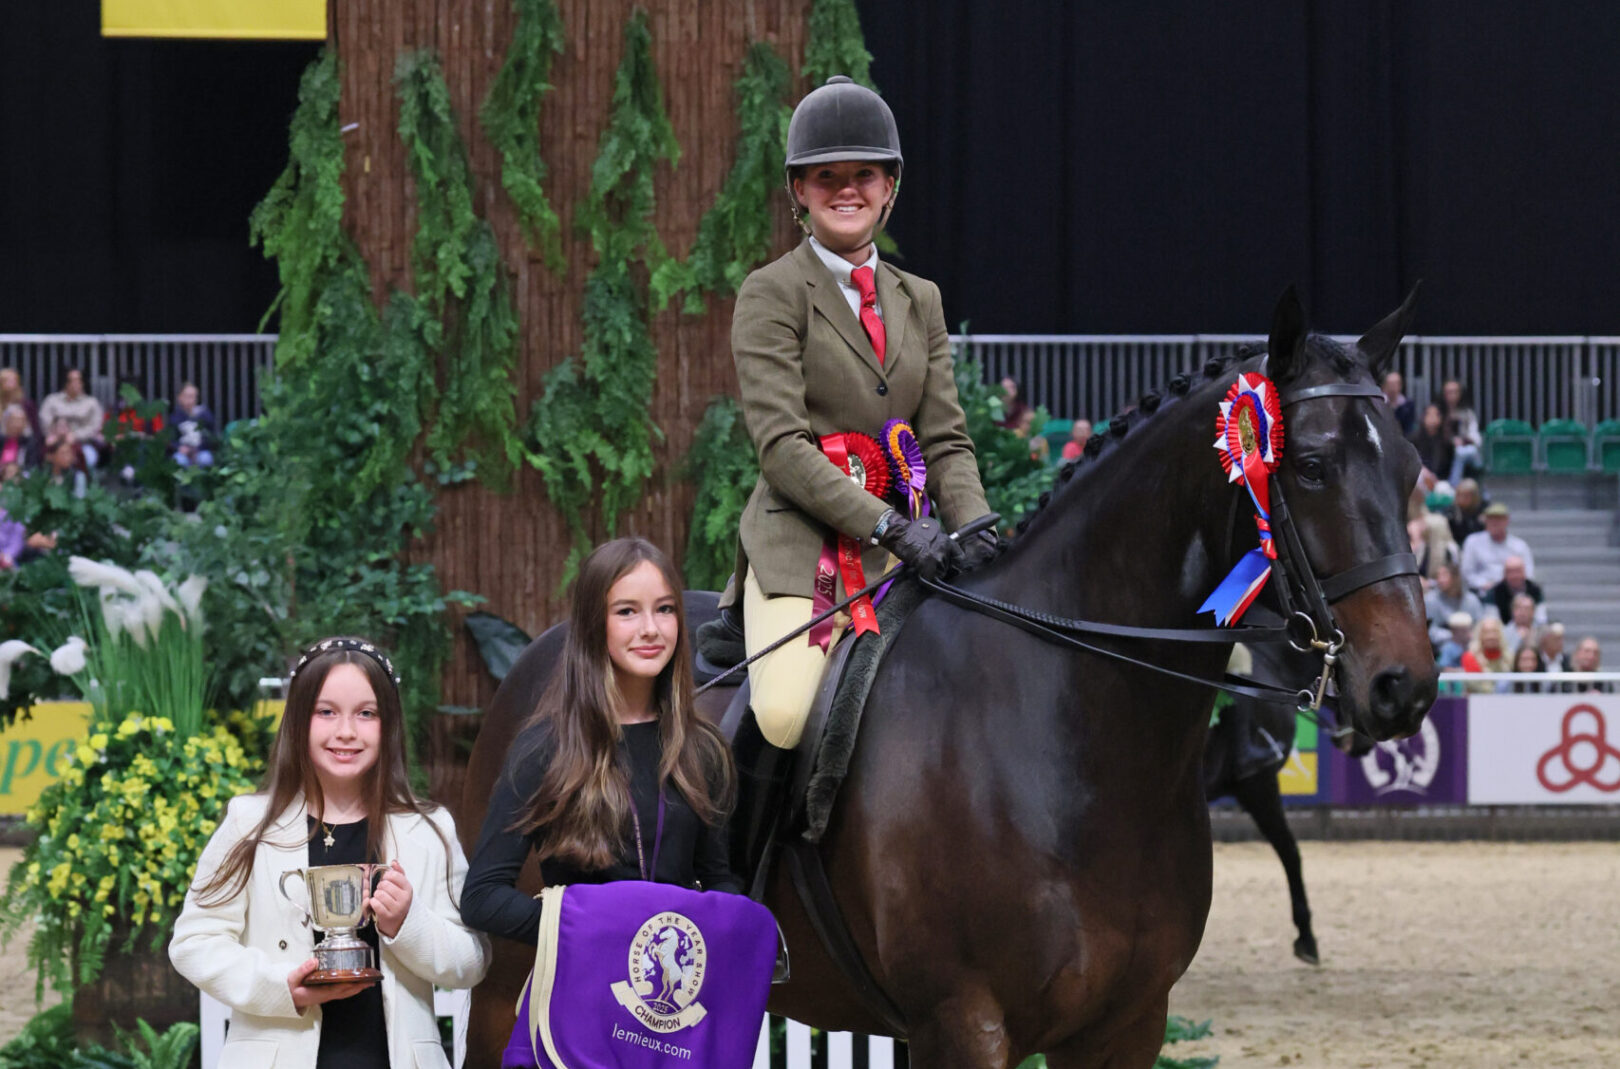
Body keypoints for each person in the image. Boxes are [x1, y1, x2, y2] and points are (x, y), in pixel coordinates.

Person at [722, 75, 998, 876]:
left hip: (914, 549)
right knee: (779, 710)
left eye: (863, 175)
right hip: (802, 551)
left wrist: (975, 526)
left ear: (890, 188)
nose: (847, 189)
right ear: (798, 193)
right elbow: (782, 447)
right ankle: (743, 887)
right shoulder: (772, 293)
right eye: (826, 176)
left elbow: (946, 437)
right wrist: (886, 523)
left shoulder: (922, 298)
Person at [170, 637, 489, 1069]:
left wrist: (407, 924)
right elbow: (194, 942)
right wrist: (281, 986)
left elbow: (473, 960)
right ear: (299, 720)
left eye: (366, 713)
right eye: (326, 712)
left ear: (388, 724)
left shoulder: (429, 829)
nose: (346, 732)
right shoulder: (249, 824)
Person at [461, 539, 741, 957]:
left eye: (664, 609)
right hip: (584, 994)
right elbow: (482, 897)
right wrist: (593, 932)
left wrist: (718, 924)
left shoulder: (702, 748)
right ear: (595, 623)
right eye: (627, 611)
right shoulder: (545, 747)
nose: (651, 628)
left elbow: (720, 878)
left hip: (673, 996)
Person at [38, 367, 106, 469]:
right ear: (66, 383)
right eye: (72, 380)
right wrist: (56, 434)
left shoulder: (92, 403)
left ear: (83, 383)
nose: (76, 384)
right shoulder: (51, 400)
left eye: (78, 380)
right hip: (55, 443)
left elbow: (94, 426)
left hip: (82, 443)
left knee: (89, 458)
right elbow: (44, 420)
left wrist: (75, 435)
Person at [1460, 503, 1534, 595]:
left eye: (1498, 519)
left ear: (1507, 521)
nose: (1494, 523)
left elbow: (1528, 573)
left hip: (1511, 593)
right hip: (1482, 592)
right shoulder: (1473, 541)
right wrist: (1483, 584)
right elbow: (1467, 573)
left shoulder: (1519, 545)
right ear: (1485, 521)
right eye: (1490, 519)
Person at [1425, 562, 1485, 649]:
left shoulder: (1471, 600)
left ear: (1456, 578)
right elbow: (1430, 631)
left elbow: (1480, 625)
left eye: (1444, 575)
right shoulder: (1430, 600)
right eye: (1438, 576)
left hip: (1471, 645)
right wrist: (1455, 636)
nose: (1440, 580)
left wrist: (1470, 637)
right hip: (1442, 647)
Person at [1440, 379, 1482, 486]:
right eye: (1449, 392)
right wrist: (1451, 440)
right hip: (1445, 450)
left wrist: (1463, 441)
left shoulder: (1468, 413)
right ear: (1444, 394)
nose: (1452, 395)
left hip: (1467, 450)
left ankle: (1454, 486)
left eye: (1455, 392)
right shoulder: (1439, 412)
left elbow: (1476, 437)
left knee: (1463, 452)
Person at [169, 381, 219, 468]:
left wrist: (198, 449)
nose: (190, 400)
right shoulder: (174, 417)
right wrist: (179, 448)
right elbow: (169, 440)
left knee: (205, 459)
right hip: (182, 453)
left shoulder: (204, 414)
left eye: (192, 396)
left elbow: (211, 437)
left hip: (201, 451)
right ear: (179, 397)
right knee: (178, 461)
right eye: (186, 396)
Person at [1486, 555, 1545, 624]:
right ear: (1504, 574)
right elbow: (1492, 621)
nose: (1514, 575)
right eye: (1510, 572)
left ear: (1524, 572)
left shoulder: (1535, 590)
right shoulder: (1494, 592)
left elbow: (1541, 619)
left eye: (1518, 571)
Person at [1460, 617, 1512, 693]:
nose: (1491, 636)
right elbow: (1479, 688)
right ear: (1480, 635)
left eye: (1495, 632)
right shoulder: (1470, 657)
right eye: (1486, 632)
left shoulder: (1509, 657)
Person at [1408, 403, 1454, 485]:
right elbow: (1410, 462)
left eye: (1435, 415)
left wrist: (1436, 479)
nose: (1432, 418)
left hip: (1440, 482)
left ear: (1440, 418)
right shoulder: (1414, 439)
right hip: (1420, 478)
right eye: (1429, 414)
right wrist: (1425, 472)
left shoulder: (1446, 442)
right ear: (1423, 417)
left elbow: (1448, 468)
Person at [0, 367, 42, 440]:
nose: (11, 383)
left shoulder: (27, 405)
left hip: (23, 444)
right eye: (6, 380)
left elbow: (36, 431)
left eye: (13, 380)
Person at [42, 434, 87, 498]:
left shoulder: (78, 476)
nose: (68, 457)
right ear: (51, 456)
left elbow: (79, 500)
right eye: (63, 453)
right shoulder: (44, 475)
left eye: (69, 453)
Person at [1446, 478, 1487, 547]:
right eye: (1459, 495)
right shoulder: (1451, 512)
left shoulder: (1483, 508)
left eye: (1466, 496)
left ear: (1474, 497)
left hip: (1480, 545)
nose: (1461, 499)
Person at [0, 404, 41, 471]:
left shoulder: (30, 442)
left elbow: (33, 466)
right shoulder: (1, 441)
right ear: (6, 422)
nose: (18, 424)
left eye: (21, 420)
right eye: (14, 420)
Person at [1381, 371, 1416, 435]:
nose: (1392, 388)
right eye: (1390, 384)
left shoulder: (1408, 405)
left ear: (1400, 386)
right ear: (1384, 387)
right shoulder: (1379, 403)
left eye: (1395, 384)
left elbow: (1409, 429)